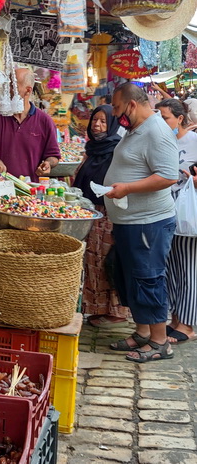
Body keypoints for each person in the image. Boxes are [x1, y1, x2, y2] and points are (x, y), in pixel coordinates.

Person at [104, 82, 179, 363]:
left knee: (148, 278)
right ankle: (143, 332)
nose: (114, 112)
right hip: (129, 221)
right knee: (129, 277)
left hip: (148, 222)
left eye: (116, 106)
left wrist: (127, 189)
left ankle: (160, 342)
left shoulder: (157, 131)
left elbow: (168, 176)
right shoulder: (135, 128)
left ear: (132, 104)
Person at [72, 105, 129, 326]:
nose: (97, 125)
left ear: (113, 124)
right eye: (95, 120)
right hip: (91, 214)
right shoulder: (92, 149)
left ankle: (115, 311)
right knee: (92, 262)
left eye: (104, 121)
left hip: (108, 214)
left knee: (107, 261)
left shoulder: (116, 149)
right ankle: (98, 309)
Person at [155, 98, 197, 344]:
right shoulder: (163, 142)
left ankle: (188, 325)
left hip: (189, 215)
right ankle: (175, 319)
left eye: (165, 118)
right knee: (171, 269)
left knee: (189, 269)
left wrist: (189, 181)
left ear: (180, 119)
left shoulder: (194, 142)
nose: (161, 123)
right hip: (165, 211)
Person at [0, 67, 61, 180]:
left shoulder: (45, 121)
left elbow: (53, 156)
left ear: (28, 90)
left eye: (13, 85)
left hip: (29, 189)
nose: (7, 89)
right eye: (7, 84)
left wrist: (48, 163)